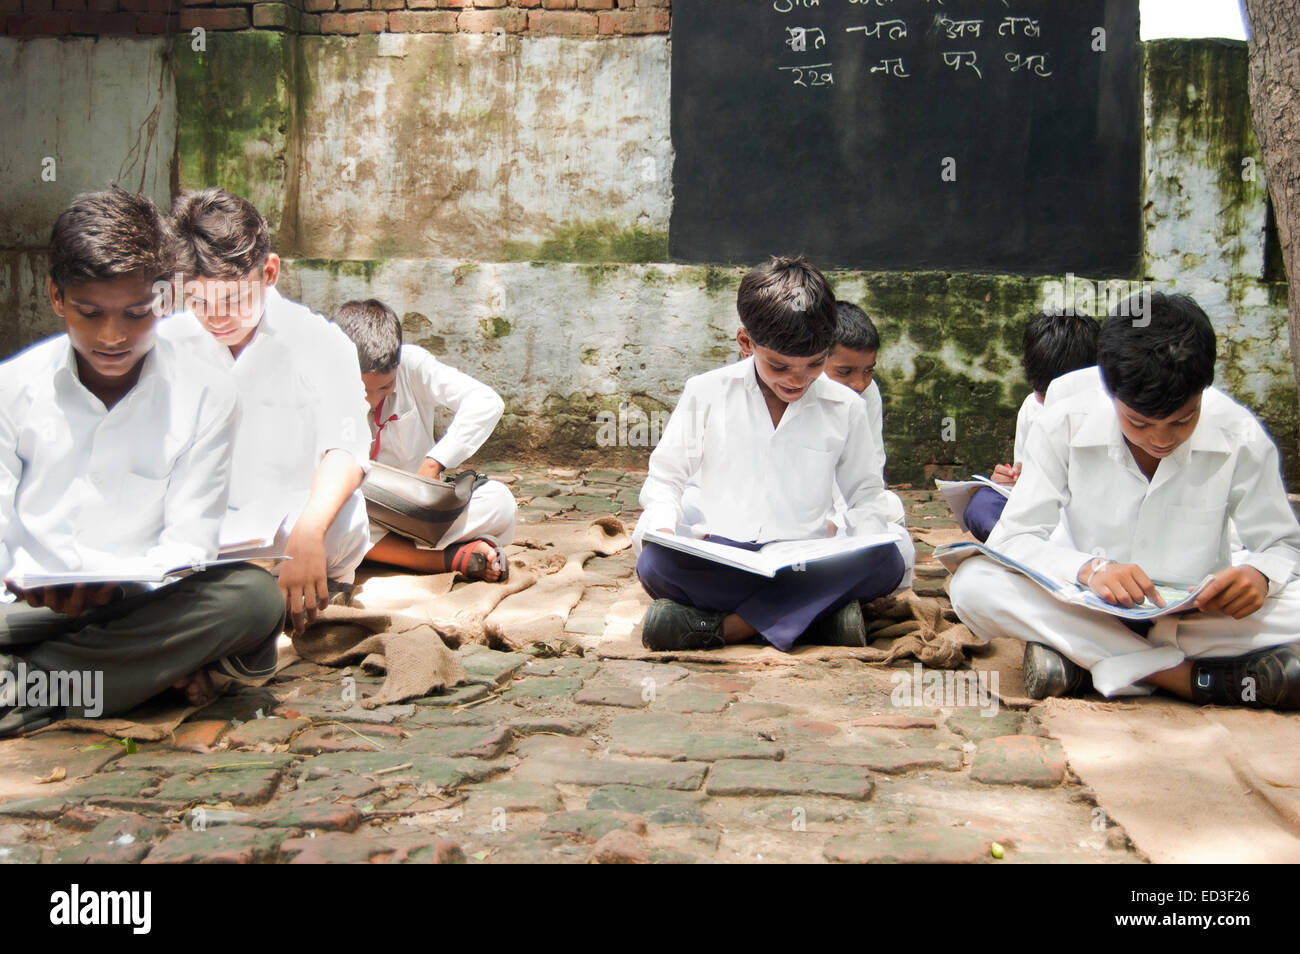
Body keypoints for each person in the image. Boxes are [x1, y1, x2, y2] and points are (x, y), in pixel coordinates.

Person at [0, 188, 285, 735]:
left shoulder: (206, 392)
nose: (113, 336)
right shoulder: (13, 391)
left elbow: (189, 544)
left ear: (166, 300)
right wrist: (23, 580)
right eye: (90, 313)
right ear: (57, 297)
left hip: (140, 613)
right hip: (22, 615)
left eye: (136, 314)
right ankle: (129, 679)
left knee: (251, 598)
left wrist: (128, 589)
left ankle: (32, 688)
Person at [949, 293, 1300, 707]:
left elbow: (1282, 544)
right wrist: (1090, 568)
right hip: (1089, 604)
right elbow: (1013, 539)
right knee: (973, 585)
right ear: (1110, 390)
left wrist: (1259, 574)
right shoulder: (1061, 424)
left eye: (1184, 419)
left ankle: (1084, 659)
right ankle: (1187, 678)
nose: (1162, 439)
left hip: (1197, 614)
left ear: (1204, 390)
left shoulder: (1240, 434)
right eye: (1139, 422)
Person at [634, 255, 913, 652]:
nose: (797, 380)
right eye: (780, 366)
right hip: (725, 554)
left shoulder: (846, 407)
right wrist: (663, 528)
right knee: (655, 562)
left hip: (809, 559)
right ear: (746, 343)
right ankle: (817, 620)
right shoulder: (706, 391)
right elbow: (666, 477)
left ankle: (725, 628)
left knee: (888, 560)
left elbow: (865, 494)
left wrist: (862, 544)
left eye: (815, 364)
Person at [159, 187, 371, 634]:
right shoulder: (167, 344)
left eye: (233, 301)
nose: (216, 318)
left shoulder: (318, 341)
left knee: (337, 522)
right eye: (197, 302)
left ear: (269, 271)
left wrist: (309, 533)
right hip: (206, 542)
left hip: (297, 536)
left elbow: (346, 449)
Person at [331, 299, 517, 580]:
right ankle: (446, 559)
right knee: (327, 521)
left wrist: (433, 465)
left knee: (500, 503)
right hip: (355, 508)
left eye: (384, 388)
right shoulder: (320, 379)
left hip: (418, 516)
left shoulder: (412, 364)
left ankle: (381, 554)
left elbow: (486, 401)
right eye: (361, 390)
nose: (371, 400)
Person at [963, 311, 1099, 541]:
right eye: (1042, 395)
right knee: (982, 506)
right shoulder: (1031, 408)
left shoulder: (1110, 413)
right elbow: (1027, 489)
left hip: (1092, 521)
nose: (1051, 406)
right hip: (1042, 513)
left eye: (1060, 395)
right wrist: (1011, 479)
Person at [822, 300, 905, 527]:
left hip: (849, 506)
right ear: (816, 358)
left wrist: (851, 516)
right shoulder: (799, 391)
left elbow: (872, 469)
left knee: (892, 507)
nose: (859, 383)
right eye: (844, 371)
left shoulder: (869, 393)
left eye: (868, 370)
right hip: (805, 508)